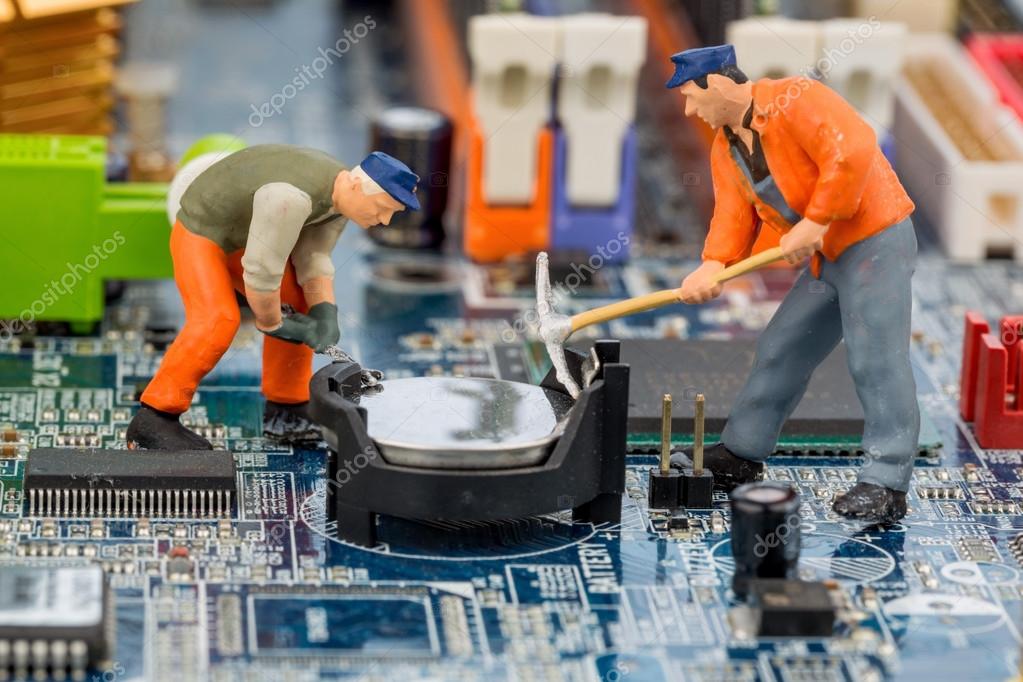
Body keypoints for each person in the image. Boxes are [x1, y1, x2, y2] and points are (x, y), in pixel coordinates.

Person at [666, 45, 919, 524]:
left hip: (875, 243)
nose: (688, 109)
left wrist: (818, 219)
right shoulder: (727, 145)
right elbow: (733, 213)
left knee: (874, 360)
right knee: (782, 346)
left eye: (690, 97)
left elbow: (854, 146)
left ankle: (886, 481)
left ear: (716, 85)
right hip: (829, 257)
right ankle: (741, 453)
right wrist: (713, 263)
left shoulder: (796, 98)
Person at [127, 145, 419, 450]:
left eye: (391, 214)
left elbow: (313, 256)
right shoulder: (289, 199)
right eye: (382, 208)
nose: (384, 220)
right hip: (203, 234)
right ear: (358, 186)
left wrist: (323, 310)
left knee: (300, 305)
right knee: (217, 319)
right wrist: (273, 322)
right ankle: (154, 418)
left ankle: (288, 410)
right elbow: (261, 272)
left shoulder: (344, 198)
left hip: (246, 237)